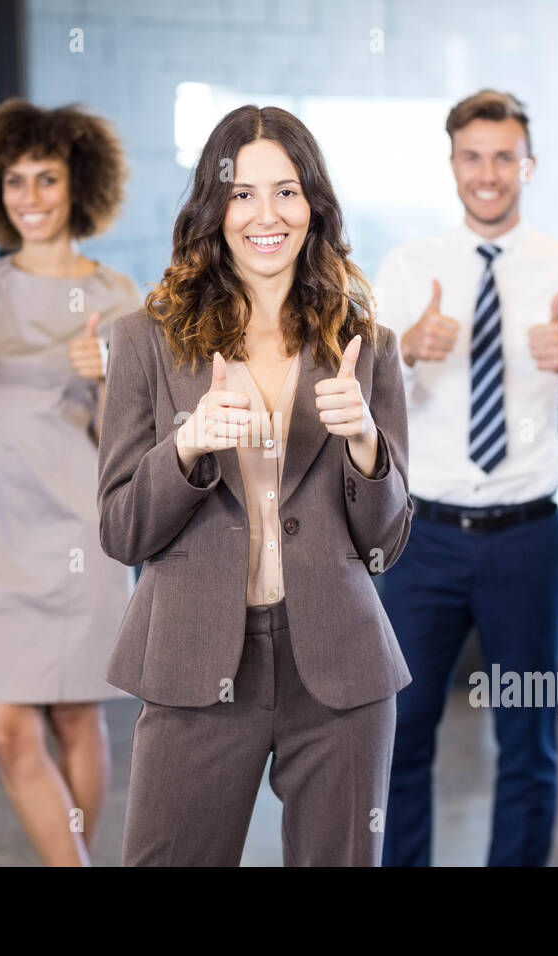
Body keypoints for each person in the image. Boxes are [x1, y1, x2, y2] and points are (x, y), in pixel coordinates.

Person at [96, 105, 413, 866]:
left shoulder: (366, 345)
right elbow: (120, 530)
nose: (265, 215)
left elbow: (388, 542)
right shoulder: (145, 339)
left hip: (339, 670)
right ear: (214, 204)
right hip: (194, 663)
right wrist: (190, 445)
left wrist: (366, 444)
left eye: (288, 191)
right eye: (241, 193)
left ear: (315, 207)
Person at [375, 89, 558, 867]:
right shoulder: (408, 270)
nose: (488, 173)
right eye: (473, 157)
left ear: (528, 164)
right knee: (401, 736)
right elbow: (367, 416)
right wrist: (405, 352)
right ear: (452, 165)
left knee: (527, 740)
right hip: (424, 544)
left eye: (504, 157)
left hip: (528, 545)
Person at [0, 99, 141, 866]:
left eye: (46, 179)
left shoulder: (122, 301)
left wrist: (109, 379)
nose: (28, 196)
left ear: (78, 184)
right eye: (15, 180)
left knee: (73, 718)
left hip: (79, 531)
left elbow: (131, 447)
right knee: (4, 725)